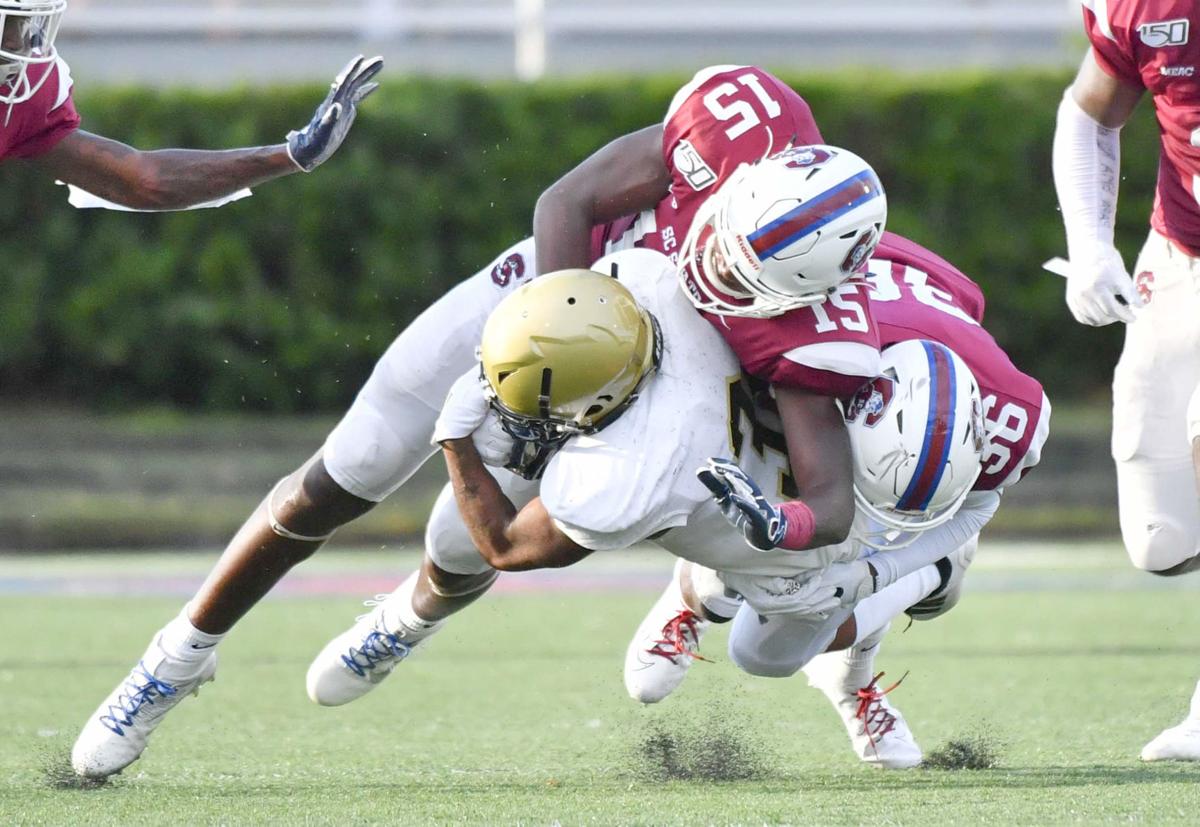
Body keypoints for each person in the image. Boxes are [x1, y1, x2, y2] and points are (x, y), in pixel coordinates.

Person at [70, 64, 887, 779]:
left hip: (655, 391)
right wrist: (563, 327)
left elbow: (828, 485)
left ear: (805, 290)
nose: (719, 263)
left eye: (750, 272)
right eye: (725, 239)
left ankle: (413, 611)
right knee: (351, 461)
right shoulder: (741, 123)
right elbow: (569, 196)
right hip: (562, 293)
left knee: (466, 544)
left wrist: (773, 512)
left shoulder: (818, 338)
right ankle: (175, 659)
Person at [302, 251, 978, 775]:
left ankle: (755, 604)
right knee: (456, 531)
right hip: (737, 475)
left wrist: (452, 437)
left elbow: (507, 547)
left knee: (766, 651)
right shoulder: (651, 282)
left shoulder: (630, 473)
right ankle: (406, 619)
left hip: (787, 530)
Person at [623, 231, 1051, 768]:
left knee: (765, 655)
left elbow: (981, 506)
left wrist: (876, 574)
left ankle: (853, 674)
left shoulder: (1015, 418)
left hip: (927, 306)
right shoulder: (804, 342)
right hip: (818, 318)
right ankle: (700, 589)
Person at [1052, 0, 1200, 761]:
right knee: (1163, 539)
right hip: (1179, 254)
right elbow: (1089, 111)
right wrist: (1089, 243)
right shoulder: (1147, 7)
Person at [2, 2, 381, 206]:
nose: (19, 40)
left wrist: (291, 154)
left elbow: (143, 180)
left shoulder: (26, 93)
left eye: (24, 20)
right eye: (8, 22)